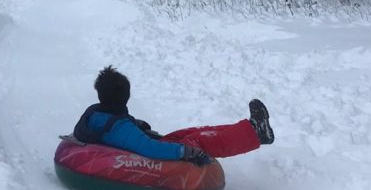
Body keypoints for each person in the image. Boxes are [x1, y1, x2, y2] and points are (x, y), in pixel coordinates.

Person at [73, 65, 274, 165]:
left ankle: (251, 127)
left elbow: (118, 129)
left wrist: (134, 123)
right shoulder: (121, 128)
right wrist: (184, 152)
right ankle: (256, 134)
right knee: (198, 141)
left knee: (188, 132)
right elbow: (148, 148)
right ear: (126, 96)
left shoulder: (97, 114)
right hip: (146, 159)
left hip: (130, 141)